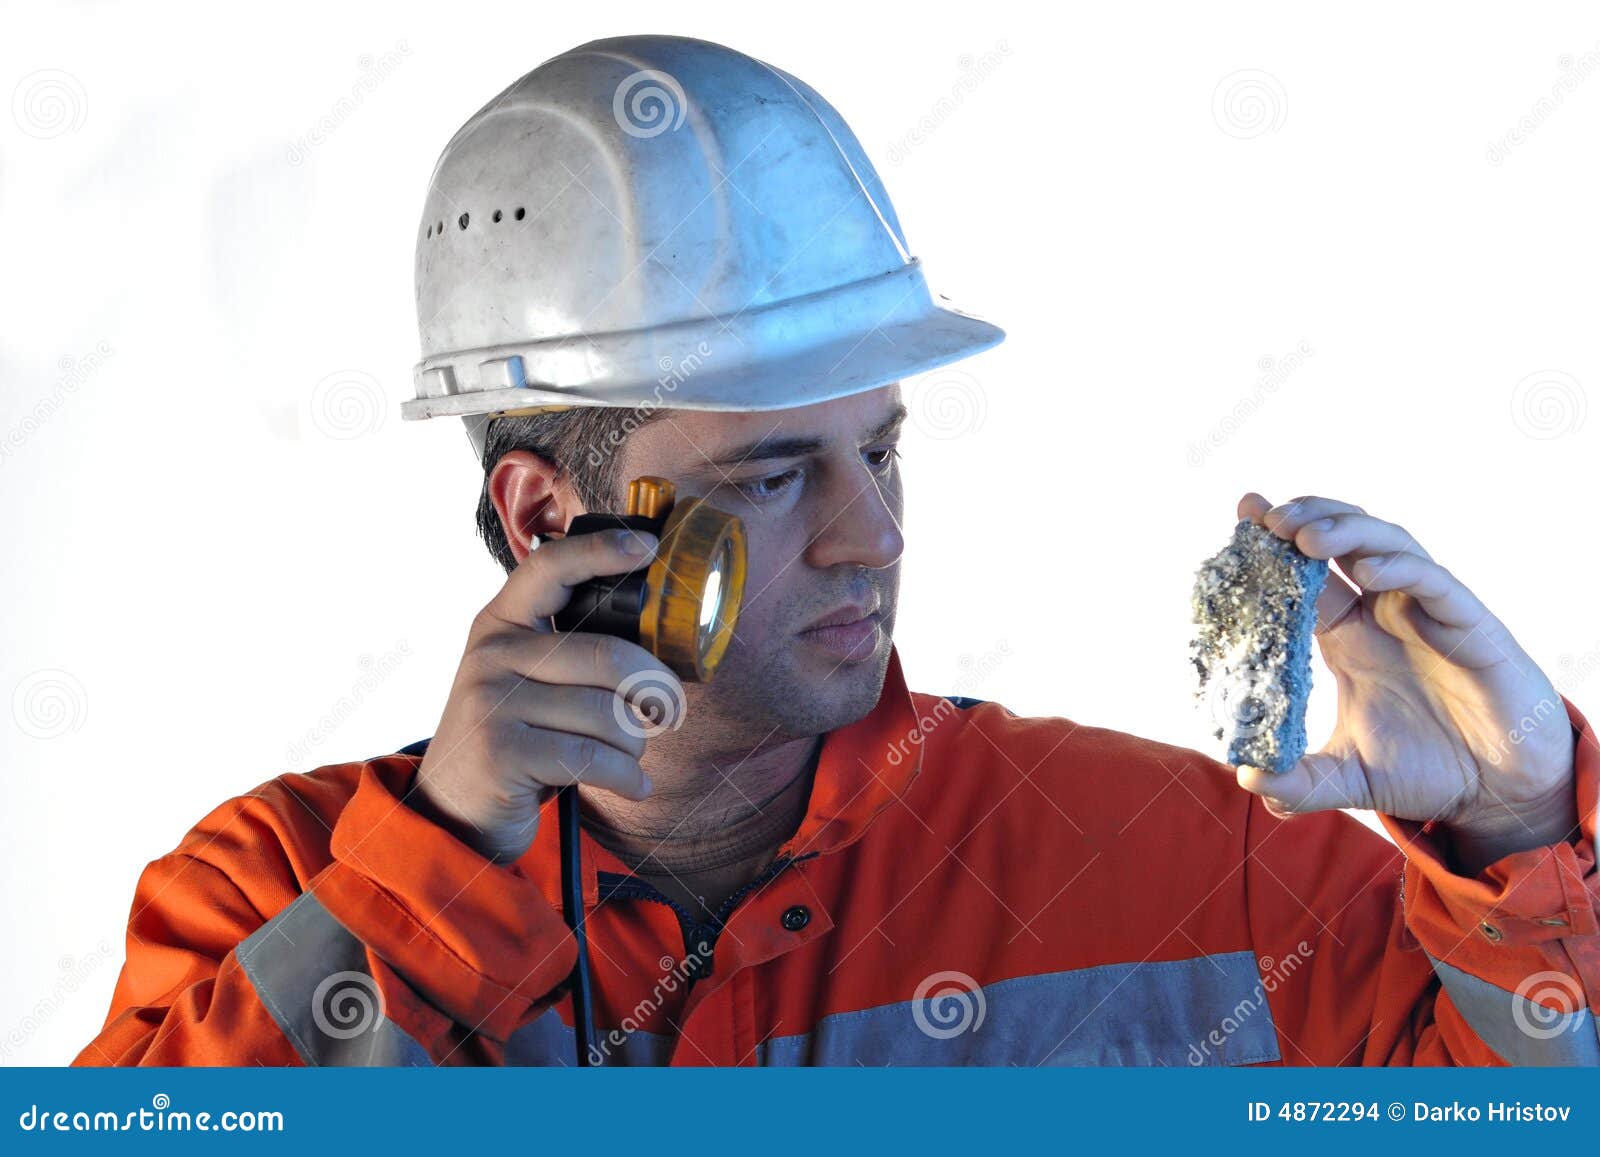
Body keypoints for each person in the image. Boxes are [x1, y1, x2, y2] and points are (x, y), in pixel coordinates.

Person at [76, 35, 1597, 1067]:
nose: (875, 536)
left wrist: (1519, 837)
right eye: (776, 474)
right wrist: (440, 883)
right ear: (550, 516)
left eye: (879, 448)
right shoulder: (273, 895)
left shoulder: (1196, 868)